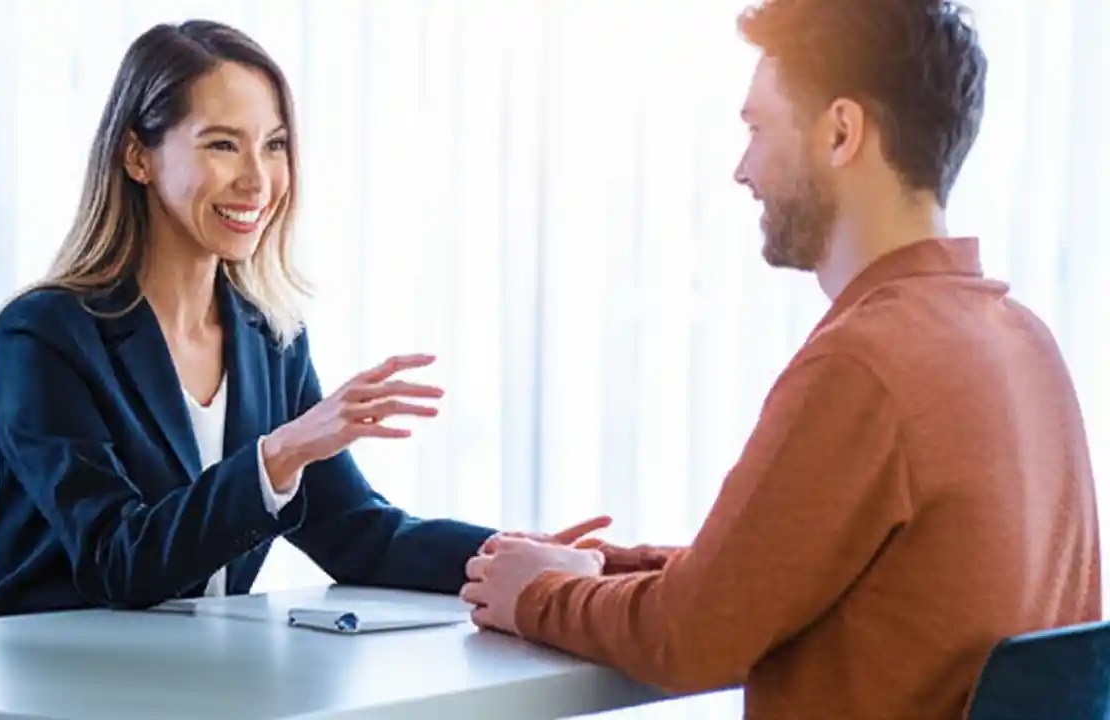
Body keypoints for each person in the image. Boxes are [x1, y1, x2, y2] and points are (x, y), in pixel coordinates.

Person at [459, 1, 1101, 717]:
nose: (743, 170)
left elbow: (691, 637)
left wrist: (538, 597)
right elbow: (773, 580)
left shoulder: (868, 364)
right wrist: (604, 568)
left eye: (758, 129)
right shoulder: (1023, 342)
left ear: (840, 132)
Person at [0, 20, 605, 620]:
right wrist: (282, 452)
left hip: (185, 678)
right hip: (48, 678)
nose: (258, 181)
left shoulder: (267, 336)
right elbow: (117, 561)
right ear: (139, 156)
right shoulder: (46, 333)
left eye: (274, 146)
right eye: (222, 145)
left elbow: (359, 533)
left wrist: (515, 557)